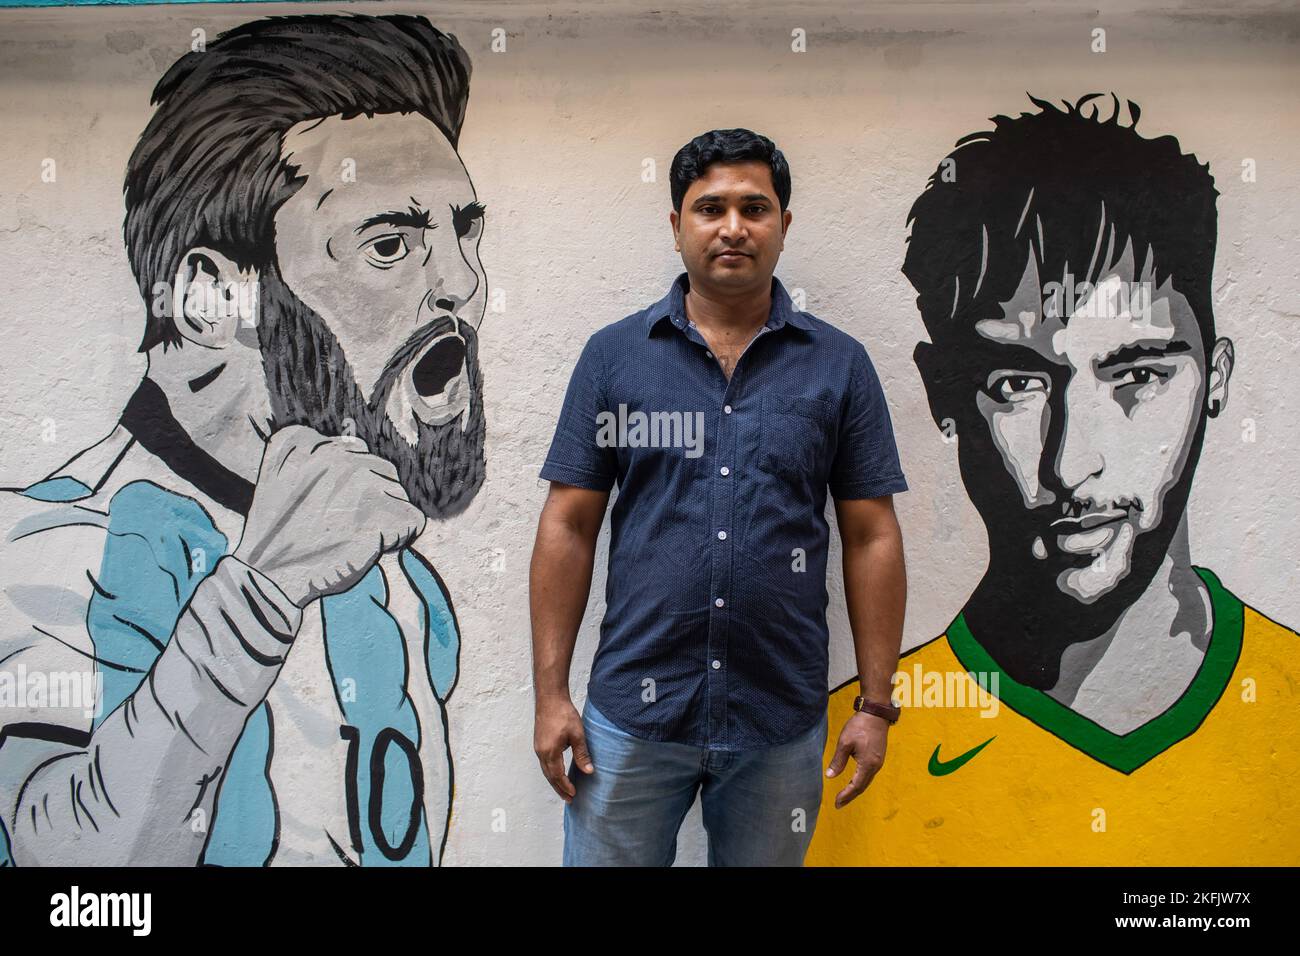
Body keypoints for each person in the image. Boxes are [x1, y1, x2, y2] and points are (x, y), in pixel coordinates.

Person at [0, 14, 487, 866]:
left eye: (464, 232)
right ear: (209, 299)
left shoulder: (402, 586)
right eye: (388, 244)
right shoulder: (49, 546)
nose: (463, 282)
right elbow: (68, 875)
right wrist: (257, 599)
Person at [807, 94, 1300, 866]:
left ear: (1216, 380)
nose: (1073, 464)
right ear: (942, 394)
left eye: (1137, 374)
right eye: (1015, 384)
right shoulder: (855, 748)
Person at [530, 128, 909, 866]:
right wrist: (550, 695)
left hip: (779, 720)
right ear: (677, 228)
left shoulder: (840, 366)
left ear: (783, 226)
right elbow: (569, 525)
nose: (733, 227)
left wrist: (875, 704)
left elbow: (873, 536)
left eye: (754, 208)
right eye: (710, 208)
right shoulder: (615, 358)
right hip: (633, 718)